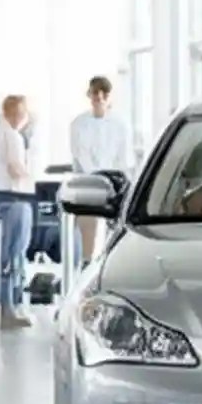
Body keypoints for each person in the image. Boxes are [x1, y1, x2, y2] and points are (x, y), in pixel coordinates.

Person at [68, 76, 131, 264]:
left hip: (113, 186)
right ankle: (85, 265)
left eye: (104, 93)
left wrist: (116, 182)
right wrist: (98, 178)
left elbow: (122, 158)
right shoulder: (78, 123)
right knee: (87, 236)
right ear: (89, 94)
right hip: (87, 186)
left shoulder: (120, 124)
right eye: (95, 92)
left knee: (112, 236)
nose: (100, 97)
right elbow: (81, 155)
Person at [0, 95, 35, 329]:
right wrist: (31, 177)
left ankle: (11, 305)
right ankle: (9, 307)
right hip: (14, 198)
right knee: (13, 253)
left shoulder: (3, 132)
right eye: (16, 112)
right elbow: (15, 167)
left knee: (13, 253)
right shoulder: (11, 135)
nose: (20, 117)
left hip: (7, 197)